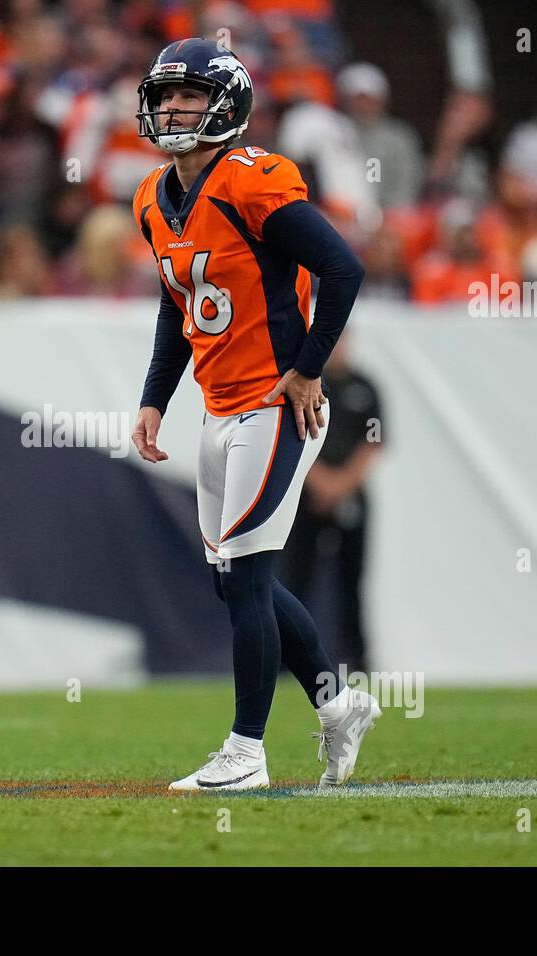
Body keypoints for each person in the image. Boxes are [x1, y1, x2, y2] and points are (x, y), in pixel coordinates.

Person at [128, 39, 379, 792]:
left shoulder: (253, 180)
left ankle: (246, 751)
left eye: (189, 95)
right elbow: (180, 312)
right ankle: (338, 708)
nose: (172, 108)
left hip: (276, 403)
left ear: (227, 104)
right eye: (164, 95)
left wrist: (305, 369)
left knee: (246, 574)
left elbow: (343, 266)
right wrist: (152, 399)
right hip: (218, 410)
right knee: (240, 583)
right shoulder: (151, 197)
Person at [279, 338, 384, 675]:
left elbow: (373, 444)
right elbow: (288, 436)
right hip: (306, 497)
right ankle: (288, 662)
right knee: (296, 581)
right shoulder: (304, 387)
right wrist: (320, 480)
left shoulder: (364, 387)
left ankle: (358, 661)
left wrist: (341, 485)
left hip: (351, 498)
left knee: (352, 582)